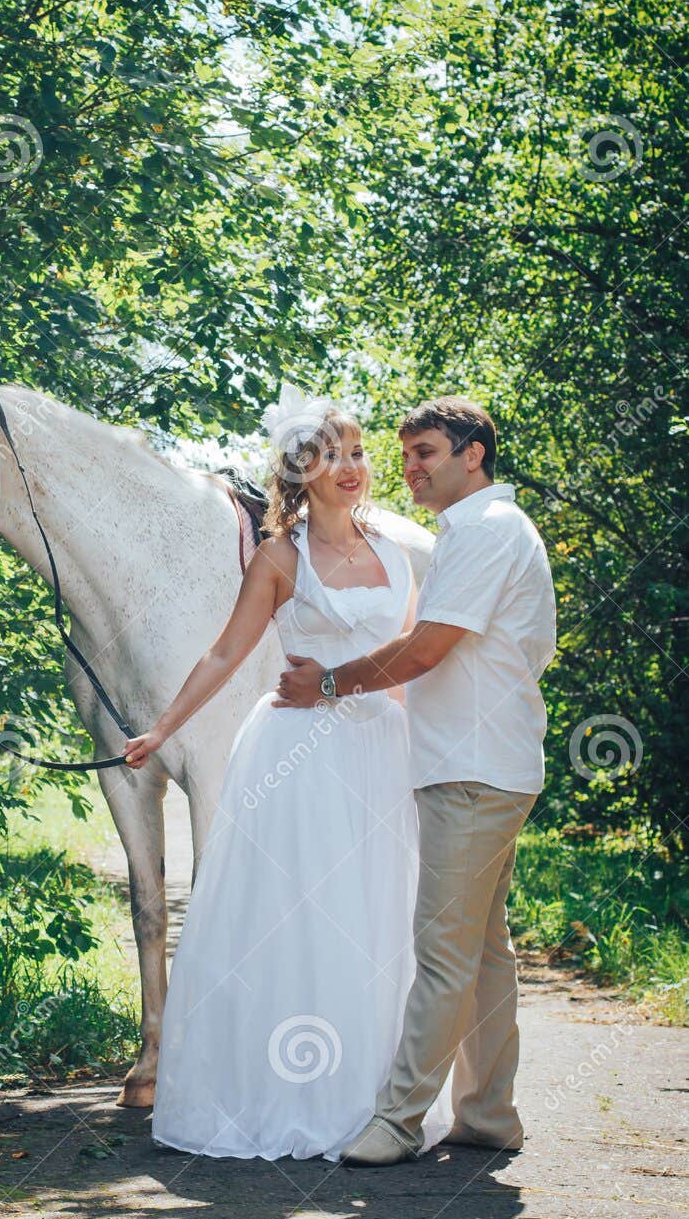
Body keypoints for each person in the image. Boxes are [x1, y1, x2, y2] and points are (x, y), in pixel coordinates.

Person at [123, 388, 452, 1161]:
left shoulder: (395, 551)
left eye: (358, 452)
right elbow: (225, 652)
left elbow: (408, 660)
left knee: (376, 917)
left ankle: (380, 1101)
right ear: (300, 469)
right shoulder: (279, 557)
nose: (351, 468)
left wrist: (436, 748)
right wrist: (162, 727)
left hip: (384, 751)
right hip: (299, 757)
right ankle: (284, 1094)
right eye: (331, 454)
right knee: (299, 918)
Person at [276, 396, 557, 1166]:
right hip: (476, 762)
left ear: (473, 455)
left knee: (440, 954)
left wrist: (328, 683)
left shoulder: (487, 532)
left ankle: (398, 1122)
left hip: (473, 768)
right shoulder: (471, 532)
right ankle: (488, 1116)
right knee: (482, 952)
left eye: (426, 452)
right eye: (404, 455)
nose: (409, 468)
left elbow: (427, 648)